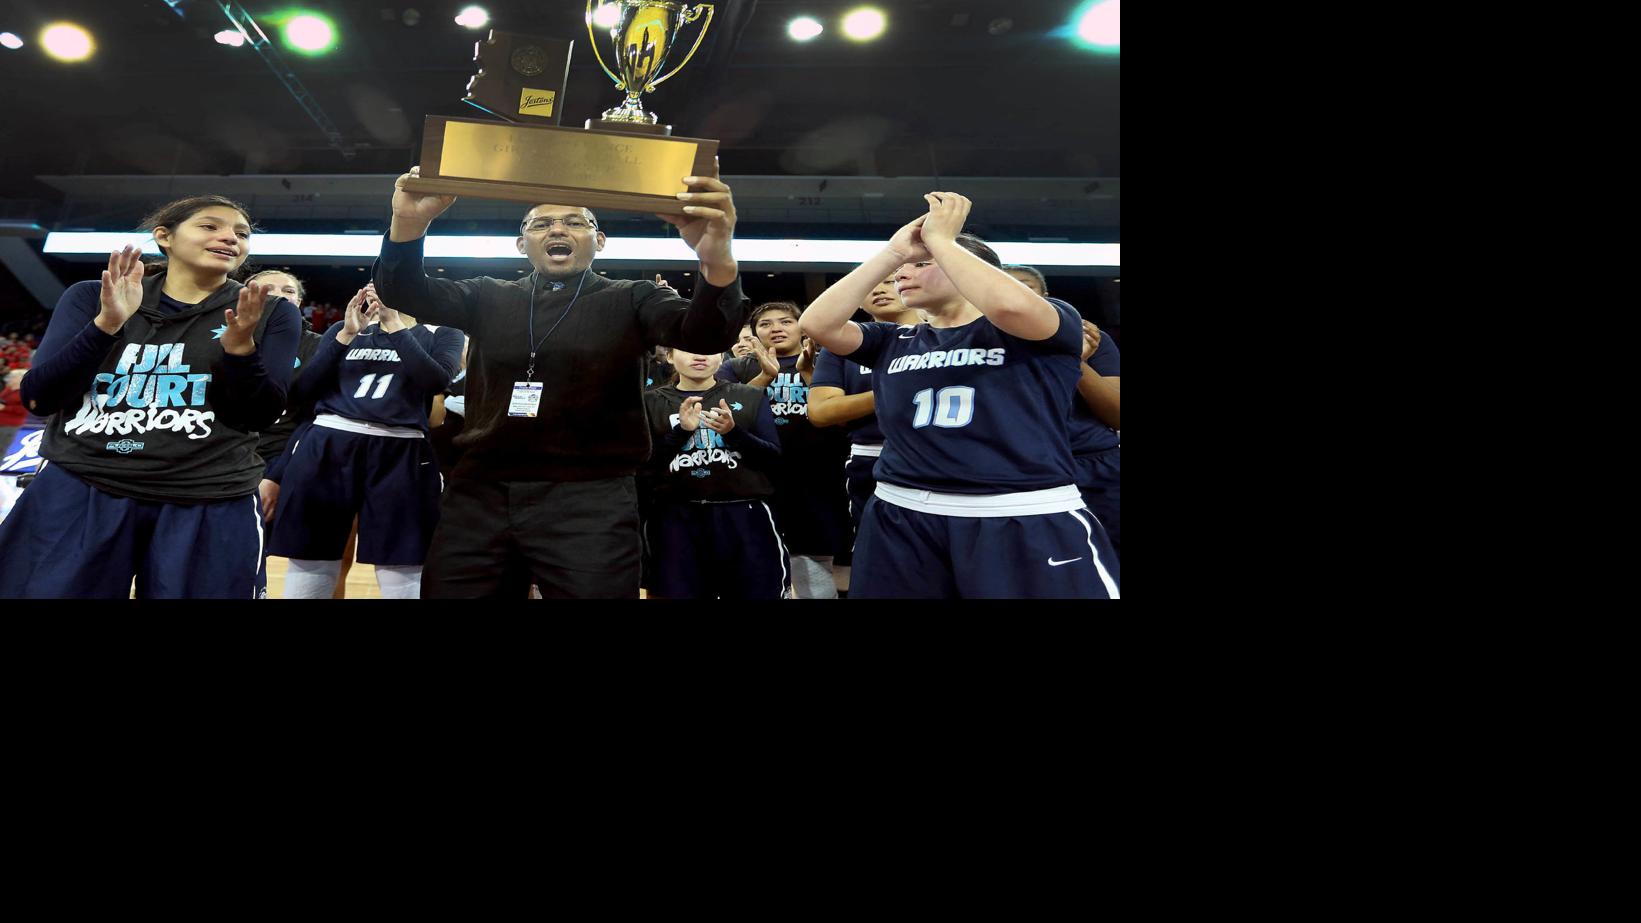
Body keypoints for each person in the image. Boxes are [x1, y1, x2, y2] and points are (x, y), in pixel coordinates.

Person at [374, 163, 749, 598]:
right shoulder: (486, 295)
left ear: (600, 241)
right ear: (521, 244)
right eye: (541, 223)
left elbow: (705, 334)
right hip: (480, 494)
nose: (559, 229)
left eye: (575, 222)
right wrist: (409, 222)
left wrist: (715, 257)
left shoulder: (634, 296)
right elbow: (404, 292)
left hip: (590, 499)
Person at [799, 192, 1119, 599]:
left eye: (920, 264)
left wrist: (944, 243)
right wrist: (894, 251)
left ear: (968, 269)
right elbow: (817, 323)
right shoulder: (893, 338)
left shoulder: (1041, 321)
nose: (901, 275)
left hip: (1015, 511)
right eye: (902, 268)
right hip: (902, 512)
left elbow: (1009, 307)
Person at [0, 194, 300, 598]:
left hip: (209, 495)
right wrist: (105, 326)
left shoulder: (271, 313)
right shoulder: (91, 297)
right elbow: (40, 398)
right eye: (210, 226)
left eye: (241, 233)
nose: (231, 237)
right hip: (82, 485)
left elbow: (259, 415)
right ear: (165, 237)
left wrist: (241, 350)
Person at [265, 283, 463, 599]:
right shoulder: (343, 330)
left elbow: (435, 380)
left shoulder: (444, 333)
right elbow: (302, 393)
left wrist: (395, 326)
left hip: (401, 446)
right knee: (311, 556)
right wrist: (345, 334)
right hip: (329, 441)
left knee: (404, 561)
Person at [641, 347, 786, 599]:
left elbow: (773, 458)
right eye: (689, 349)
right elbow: (642, 468)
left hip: (744, 514)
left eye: (710, 350)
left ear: (722, 357)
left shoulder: (750, 395)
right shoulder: (649, 402)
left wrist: (734, 433)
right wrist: (680, 433)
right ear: (670, 356)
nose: (700, 355)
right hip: (675, 517)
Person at [743, 301, 851, 598]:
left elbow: (838, 414)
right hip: (768, 475)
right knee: (791, 554)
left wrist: (808, 372)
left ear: (802, 326)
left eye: (785, 321)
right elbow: (733, 411)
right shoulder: (740, 365)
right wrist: (764, 376)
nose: (776, 328)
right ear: (754, 333)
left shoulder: (830, 359)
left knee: (839, 549)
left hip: (827, 471)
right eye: (765, 324)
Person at [809, 274, 922, 550]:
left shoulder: (948, 334)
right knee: (880, 553)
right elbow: (821, 411)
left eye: (889, 281)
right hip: (869, 458)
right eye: (871, 283)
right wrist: (894, 387)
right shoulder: (840, 346)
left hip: (941, 455)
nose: (879, 289)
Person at [241, 269, 329, 598]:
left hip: (277, 461)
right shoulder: (220, 334)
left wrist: (277, 476)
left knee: (252, 554)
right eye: (269, 289)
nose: (280, 295)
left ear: (299, 302)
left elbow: (316, 419)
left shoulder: (320, 346)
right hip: (216, 457)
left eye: (288, 291)